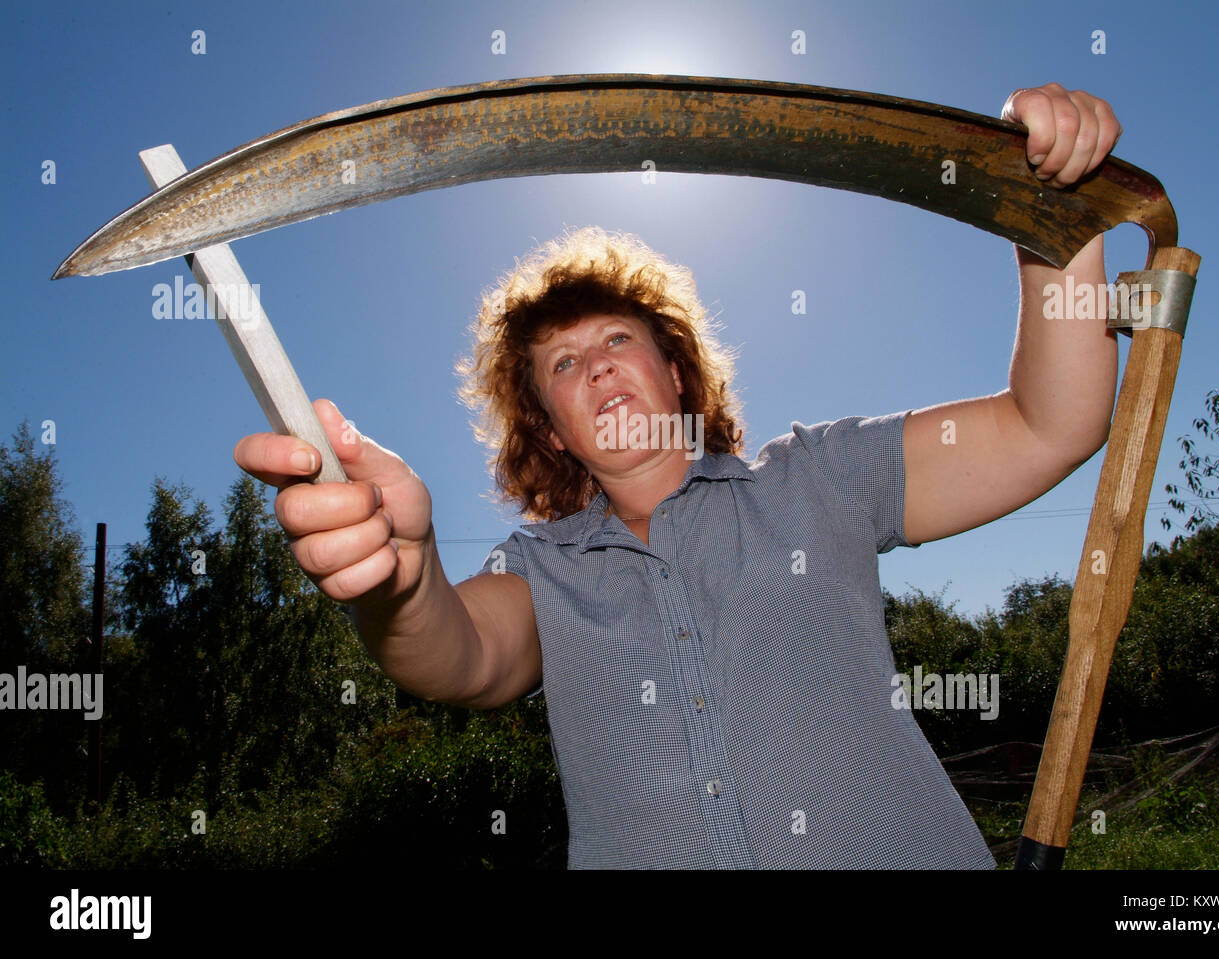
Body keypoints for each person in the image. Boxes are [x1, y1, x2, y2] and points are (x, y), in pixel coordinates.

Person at [234, 82, 1123, 868]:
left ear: (675, 369)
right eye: (563, 365)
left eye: (619, 340)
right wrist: (400, 573)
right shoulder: (540, 572)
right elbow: (459, 656)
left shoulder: (820, 478)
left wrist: (1052, 216)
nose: (596, 367)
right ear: (549, 430)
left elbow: (1049, 423)